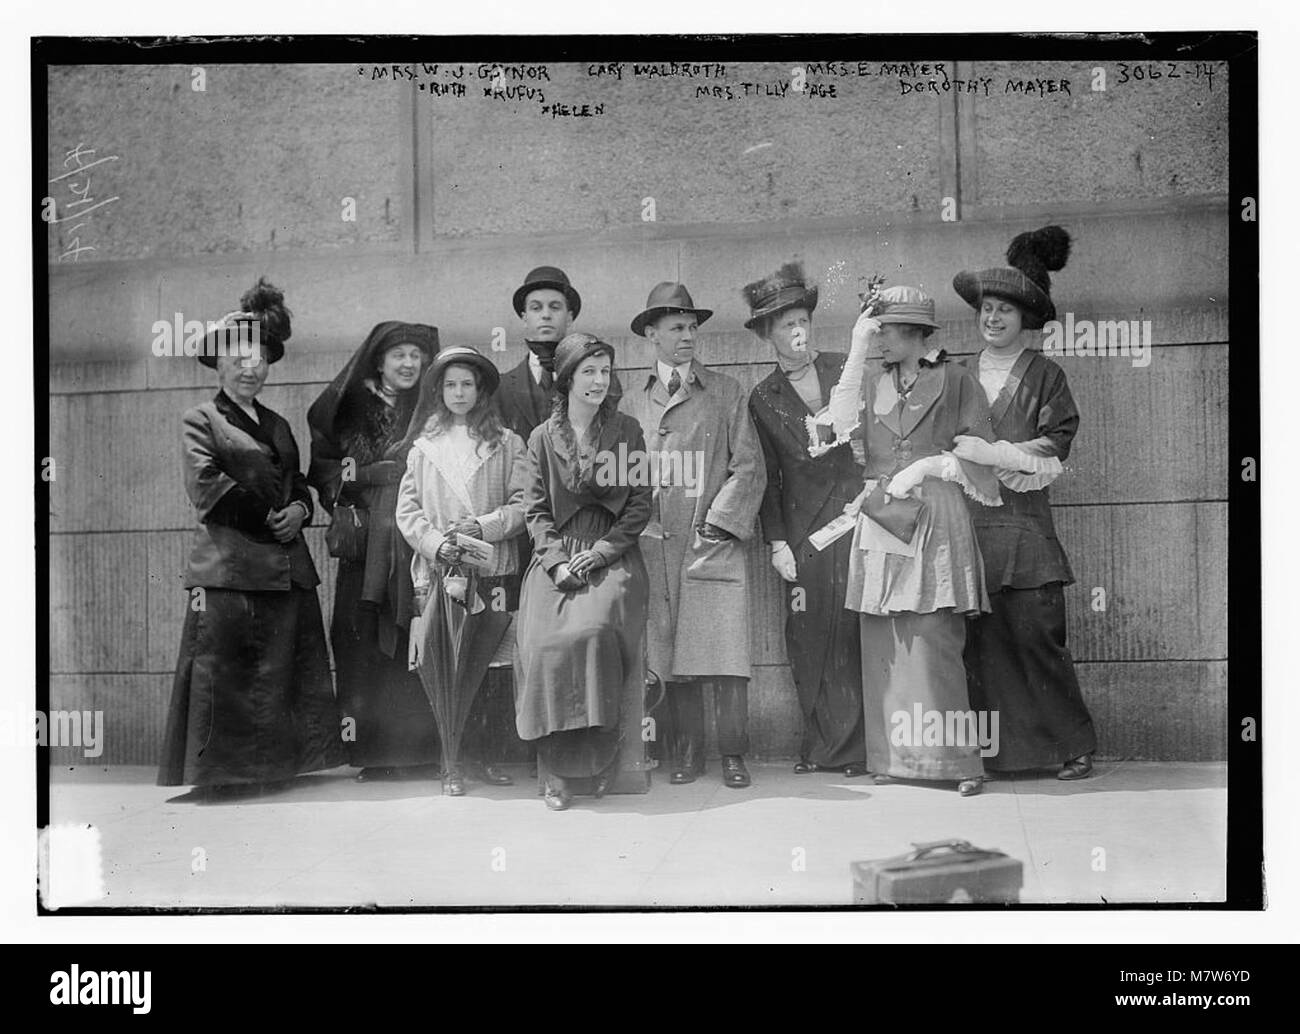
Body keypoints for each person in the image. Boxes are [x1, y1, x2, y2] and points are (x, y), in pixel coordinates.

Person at [159, 278, 344, 796]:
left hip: (285, 567)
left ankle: (275, 771)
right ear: (218, 364)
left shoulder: (279, 424)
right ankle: (222, 777)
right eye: (238, 357)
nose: (250, 367)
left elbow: (299, 481)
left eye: (259, 357)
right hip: (231, 568)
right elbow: (207, 486)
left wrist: (300, 509)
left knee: (280, 670)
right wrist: (271, 517)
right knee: (229, 672)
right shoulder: (201, 420)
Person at [826, 286, 1001, 796]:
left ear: (916, 333)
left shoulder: (957, 380)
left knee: (932, 636)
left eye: (885, 332)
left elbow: (983, 455)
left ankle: (958, 763)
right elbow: (836, 426)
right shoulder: (872, 380)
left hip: (935, 513)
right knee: (884, 636)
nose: (879, 340)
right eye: (875, 331)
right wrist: (856, 348)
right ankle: (895, 759)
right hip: (883, 511)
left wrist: (927, 466)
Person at [952, 225, 1097, 780]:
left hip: (1026, 530)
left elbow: (1056, 444)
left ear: (1024, 318)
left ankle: (1073, 746)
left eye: (1005, 311)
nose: (993, 319)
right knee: (982, 648)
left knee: (1038, 638)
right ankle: (1000, 756)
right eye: (987, 309)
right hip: (970, 530)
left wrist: (997, 454)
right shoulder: (956, 374)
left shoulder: (1046, 376)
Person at [487, 266, 624, 775]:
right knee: (527, 645)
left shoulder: (600, 382)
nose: (545, 316)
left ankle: (587, 757)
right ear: (523, 317)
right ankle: (530, 755)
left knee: (584, 637)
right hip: (526, 533)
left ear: (570, 317)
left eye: (556, 308)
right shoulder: (501, 388)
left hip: (587, 539)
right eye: (536, 308)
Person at [631, 282, 766, 789]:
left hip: (712, 543)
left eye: (692, 327)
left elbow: (748, 466)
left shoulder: (726, 391)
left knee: (724, 653)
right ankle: (685, 754)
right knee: (671, 655)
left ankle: (733, 754)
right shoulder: (632, 400)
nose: (688, 336)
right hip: (654, 546)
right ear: (652, 334)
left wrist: (718, 522)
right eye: (676, 328)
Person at [514, 333, 652, 811]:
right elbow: (535, 510)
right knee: (545, 642)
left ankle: (598, 759)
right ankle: (555, 768)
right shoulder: (540, 438)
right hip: (555, 557)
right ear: (568, 379)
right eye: (588, 371)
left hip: (611, 554)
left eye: (605, 371)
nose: (598, 381)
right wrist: (555, 563)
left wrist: (602, 552)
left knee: (594, 631)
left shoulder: (627, 431)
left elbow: (639, 506)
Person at [743, 262, 867, 777]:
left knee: (858, 629)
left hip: (862, 517)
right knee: (810, 633)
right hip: (805, 534)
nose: (798, 332)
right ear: (767, 335)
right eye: (785, 325)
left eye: (802, 321)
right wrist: (777, 543)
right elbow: (767, 477)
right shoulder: (763, 397)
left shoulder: (845, 367)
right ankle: (822, 748)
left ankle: (864, 749)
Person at [307, 321, 441, 783]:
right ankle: (376, 752)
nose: (408, 364)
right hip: (366, 547)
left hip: (416, 539)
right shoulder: (348, 410)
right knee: (362, 639)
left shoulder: (430, 407)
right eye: (398, 355)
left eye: (415, 356)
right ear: (378, 362)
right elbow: (326, 470)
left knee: (413, 639)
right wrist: (366, 476)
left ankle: (422, 751)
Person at [395, 347, 529, 796]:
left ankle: (487, 756)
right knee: (446, 662)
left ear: (481, 390)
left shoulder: (507, 443)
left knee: (492, 662)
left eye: (467, 384)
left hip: (492, 569)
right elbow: (408, 512)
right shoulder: (424, 448)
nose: (458, 393)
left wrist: (484, 526)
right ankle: (451, 762)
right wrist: (436, 544)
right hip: (441, 571)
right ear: (439, 391)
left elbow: (524, 504)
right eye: (450, 385)